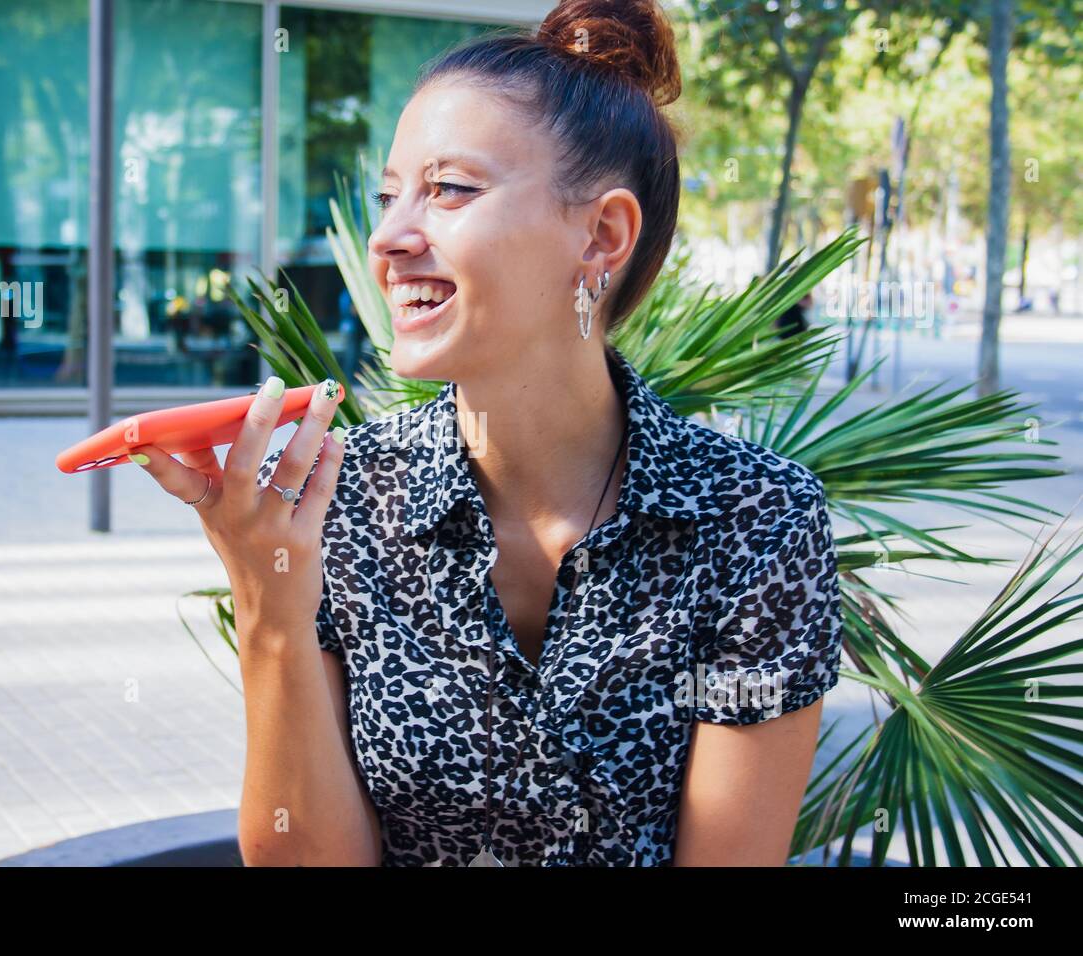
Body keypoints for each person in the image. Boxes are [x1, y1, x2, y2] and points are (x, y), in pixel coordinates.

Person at [129, 0, 843, 866]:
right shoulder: (342, 497)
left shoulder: (755, 521)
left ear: (602, 235)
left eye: (450, 190)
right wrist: (269, 602)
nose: (388, 238)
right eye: (390, 196)